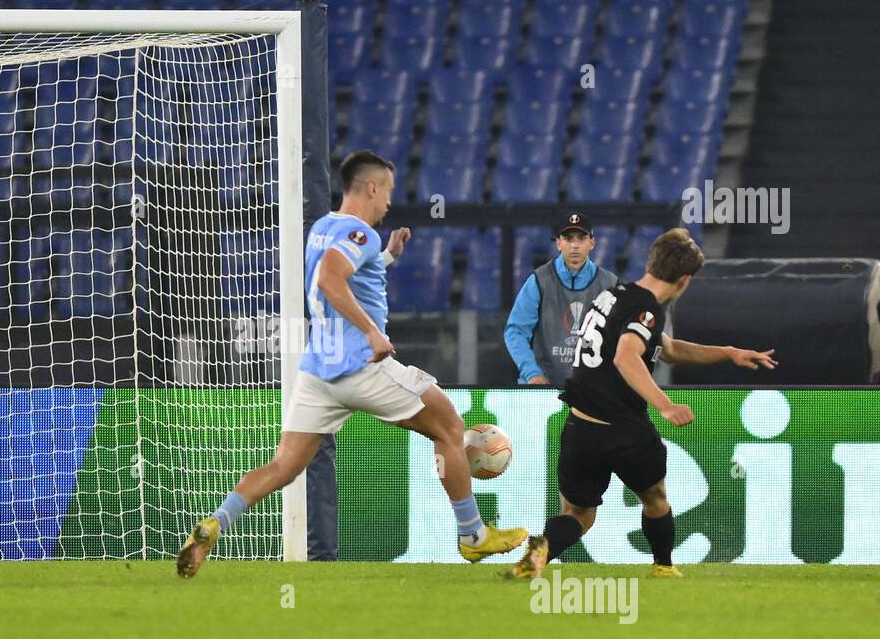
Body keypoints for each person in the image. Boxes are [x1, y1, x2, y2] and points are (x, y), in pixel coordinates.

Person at [178, 150, 528, 577]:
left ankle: (214, 523)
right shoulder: (360, 232)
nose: (388, 205)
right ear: (372, 187)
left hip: (317, 372)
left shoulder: (324, 227)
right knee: (451, 428)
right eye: (389, 193)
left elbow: (343, 275)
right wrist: (371, 332)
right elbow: (330, 278)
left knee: (284, 466)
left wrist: (390, 257)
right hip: (361, 365)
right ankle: (473, 536)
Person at [509, 228, 777, 580]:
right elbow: (626, 356)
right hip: (625, 432)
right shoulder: (648, 310)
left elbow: (669, 349)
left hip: (580, 428)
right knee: (655, 498)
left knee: (578, 515)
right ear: (684, 280)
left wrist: (728, 353)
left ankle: (535, 558)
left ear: (651, 262)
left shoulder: (613, 295)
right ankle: (663, 567)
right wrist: (665, 405)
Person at [505, 212, 618, 386]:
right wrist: (532, 373)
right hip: (541, 388)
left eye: (581, 238)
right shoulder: (539, 281)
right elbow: (516, 332)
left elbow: (623, 337)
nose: (574, 245)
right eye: (568, 238)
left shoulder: (610, 284)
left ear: (592, 243)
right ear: (558, 242)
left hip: (592, 391)